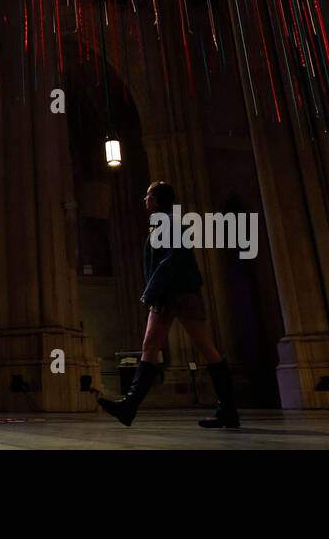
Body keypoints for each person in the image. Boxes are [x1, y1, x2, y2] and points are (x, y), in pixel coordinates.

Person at [98, 181, 240, 429]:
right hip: (171, 294)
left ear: (155, 199)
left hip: (178, 294)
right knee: (151, 346)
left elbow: (173, 258)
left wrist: (152, 291)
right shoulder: (163, 223)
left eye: (148, 196)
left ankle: (228, 410)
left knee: (203, 347)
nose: (144, 200)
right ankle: (129, 406)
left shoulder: (169, 222)